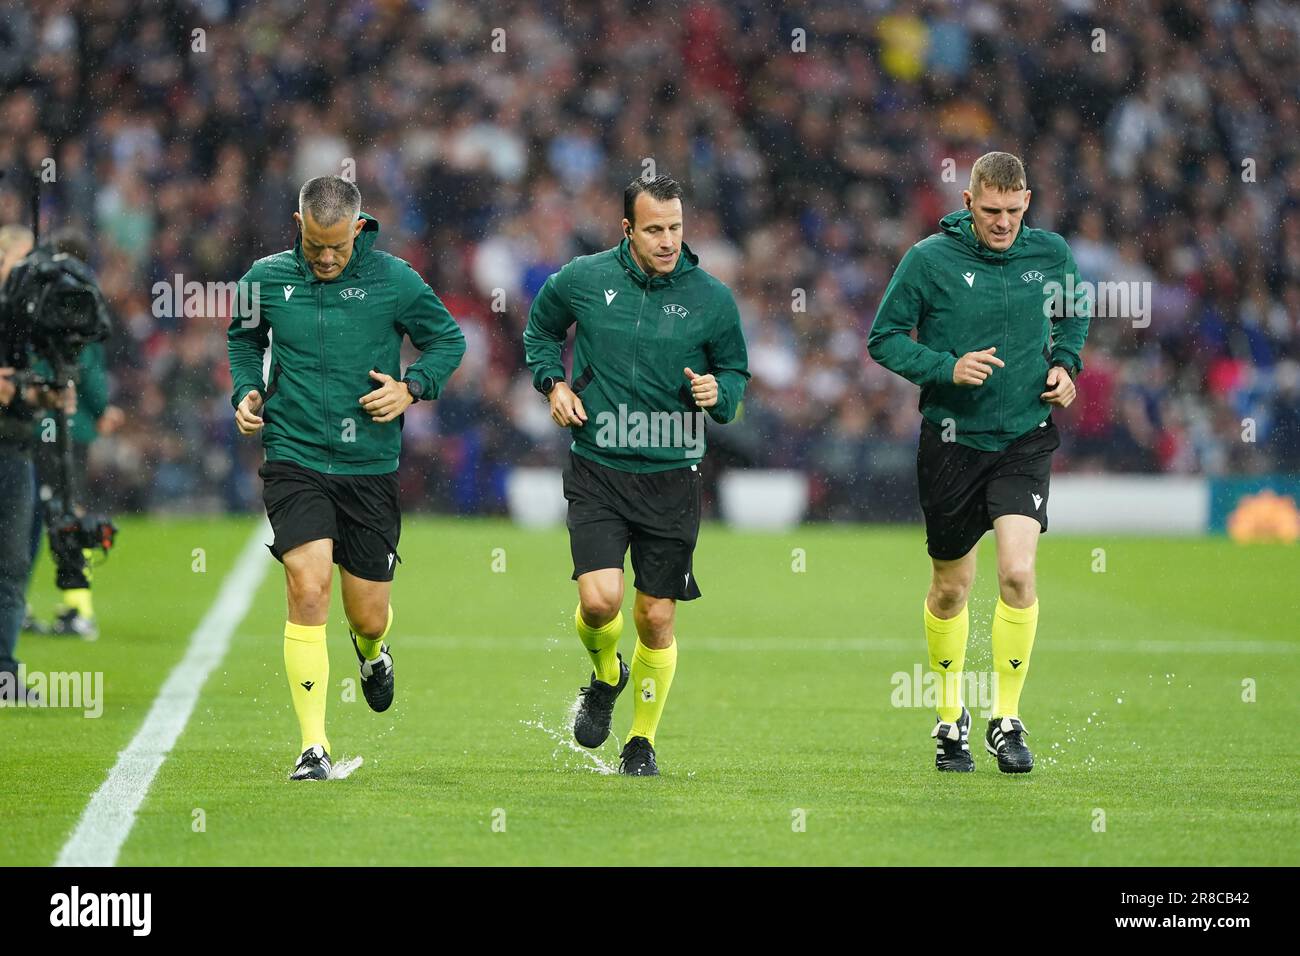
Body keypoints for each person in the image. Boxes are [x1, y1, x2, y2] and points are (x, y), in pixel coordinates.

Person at [227, 176, 466, 780]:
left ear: (358, 228)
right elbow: (244, 341)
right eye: (315, 247)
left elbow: (448, 340)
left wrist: (413, 388)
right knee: (308, 587)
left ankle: (373, 654)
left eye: (338, 246)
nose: (328, 258)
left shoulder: (395, 280)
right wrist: (247, 390)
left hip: (369, 468)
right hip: (295, 456)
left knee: (368, 616)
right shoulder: (264, 279)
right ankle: (313, 747)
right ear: (297, 225)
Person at [867, 152, 1091, 774]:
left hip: (1025, 436)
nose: (1003, 223)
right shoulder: (929, 260)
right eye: (991, 211)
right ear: (968, 202)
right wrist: (946, 368)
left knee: (1018, 574)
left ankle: (1006, 717)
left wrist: (1066, 365)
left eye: (1015, 212)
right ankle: (949, 716)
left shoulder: (1050, 255)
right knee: (951, 588)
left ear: (1028, 203)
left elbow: (1075, 314)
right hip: (951, 440)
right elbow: (883, 338)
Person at [523, 175, 750, 775]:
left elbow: (736, 380)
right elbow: (540, 329)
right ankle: (606, 674)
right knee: (600, 603)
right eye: (654, 229)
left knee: (655, 617)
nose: (668, 239)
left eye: (675, 227)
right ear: (627, 229)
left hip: (672, 476)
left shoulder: (712, 299)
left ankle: (641, 741)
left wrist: (716, 392)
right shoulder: (583, 279)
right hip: (598, 467)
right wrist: (554, 383)